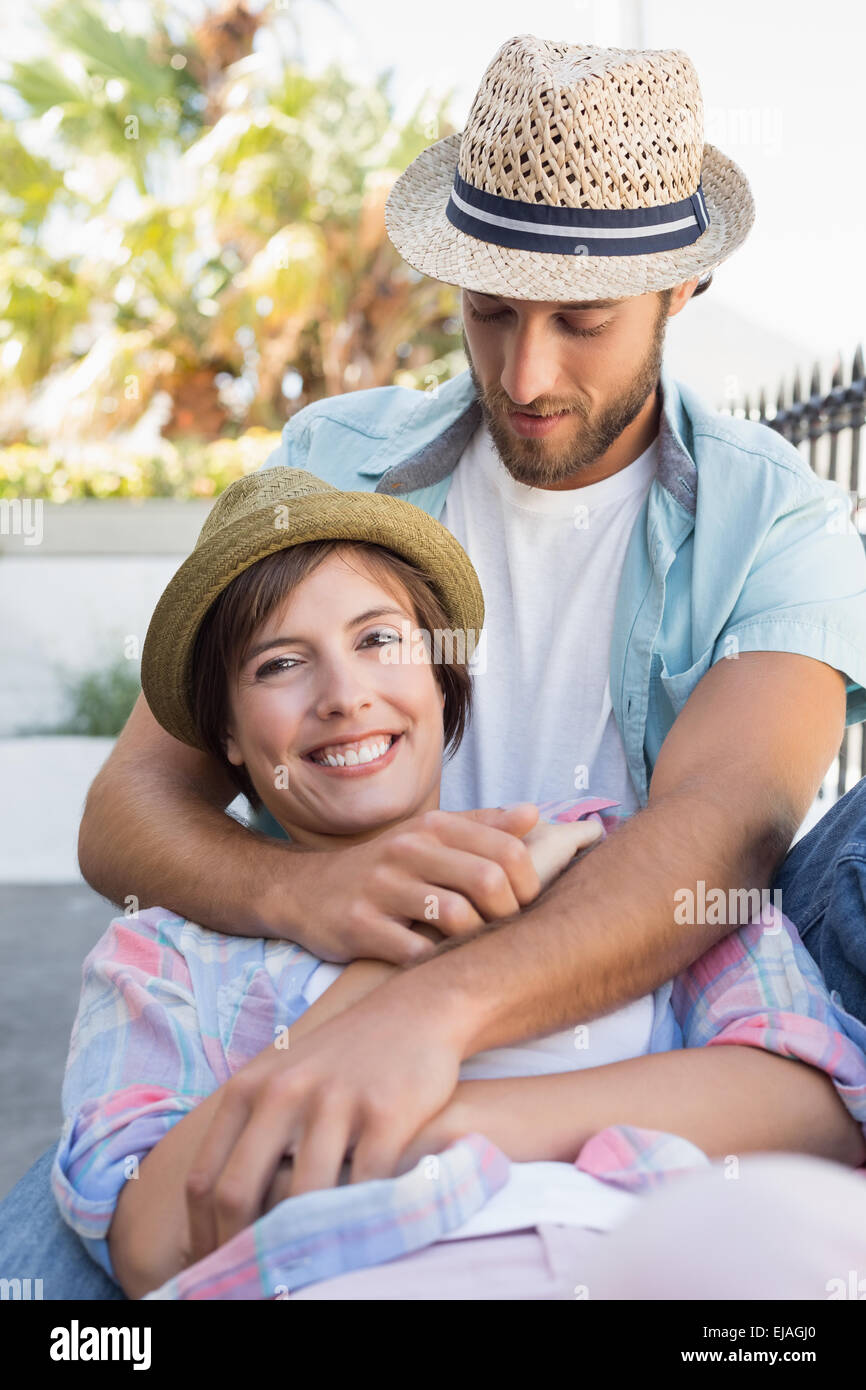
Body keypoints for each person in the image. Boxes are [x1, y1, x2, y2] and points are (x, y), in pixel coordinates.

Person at [3, 33, 866, 1296]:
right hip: (298, 1005)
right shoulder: (332, 456)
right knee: (65, 1283)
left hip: (623, 1008)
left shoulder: (775, 519)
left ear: (683, 288)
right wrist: (311, 899)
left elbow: (720, 831)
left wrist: (431, 1017)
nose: (526, 374)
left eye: (580, 323)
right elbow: (132, 804)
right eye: (492, 311)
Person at [50, 467, 866, 1301]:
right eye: (281, 664)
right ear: (225, 734)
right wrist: (415, 944)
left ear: (441, 674)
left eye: (378, 641)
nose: (344, 695)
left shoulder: (604, 859)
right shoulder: (164, 953)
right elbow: (152, 1239)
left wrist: (432, 1127)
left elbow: (815, 1111)